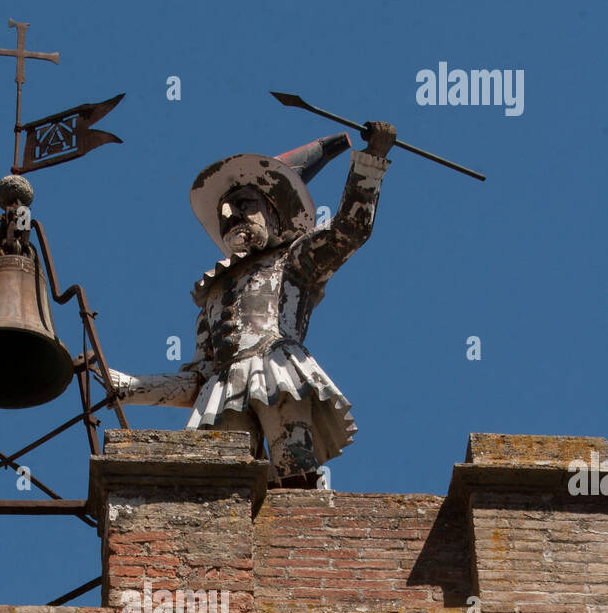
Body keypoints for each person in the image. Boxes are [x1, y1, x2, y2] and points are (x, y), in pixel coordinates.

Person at [105, 120, 396, 487]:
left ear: (273, 212)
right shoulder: (211, 293)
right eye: (224, 213)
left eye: (243, 204)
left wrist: (370, 164)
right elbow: (198, 378)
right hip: (224, 388)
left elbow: (347, 232)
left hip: (276, 367)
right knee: (221, 483)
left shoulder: (293, 259)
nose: (231, 216)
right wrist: (131, 386)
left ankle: (304, 524)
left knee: (295, 468)